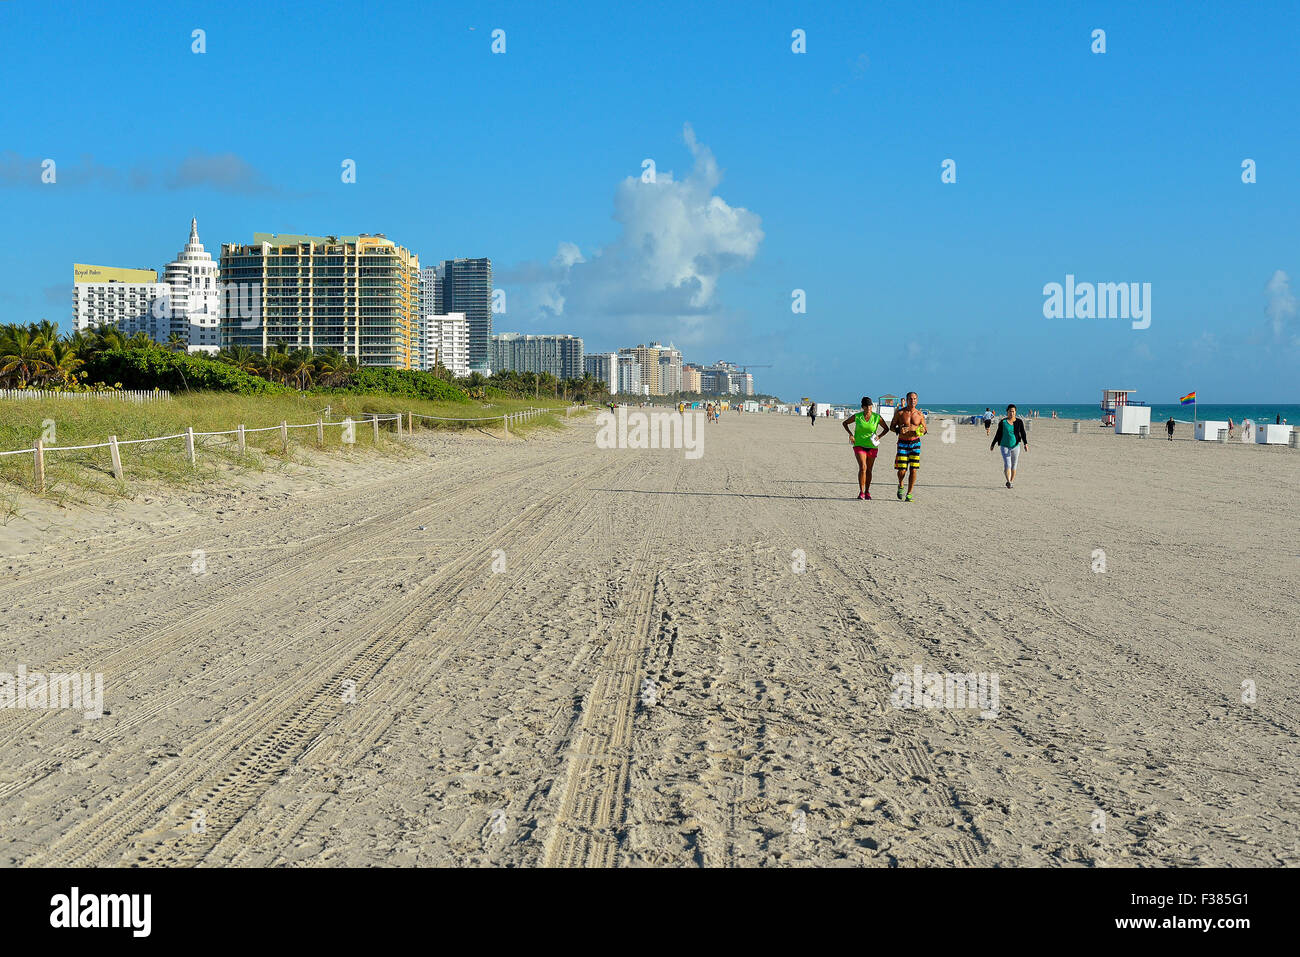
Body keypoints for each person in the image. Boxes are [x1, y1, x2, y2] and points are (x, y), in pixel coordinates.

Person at [842, 396, 888, 500]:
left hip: (872, 446)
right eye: (867, 406)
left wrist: (879, 436)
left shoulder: (877, 417)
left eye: (870, 406)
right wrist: (850, 434)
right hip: (859, 445)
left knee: (869, 470)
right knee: (863, 467)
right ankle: (861, 492)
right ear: (863, 407)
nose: (869, 408)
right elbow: (844, 423)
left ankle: (867, 491)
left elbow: (886, 428)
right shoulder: (857, 417)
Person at [890, 391, 926, 502]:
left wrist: (915, 430)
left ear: (917, 400)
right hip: (902, 443)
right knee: (902, 470)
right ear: (906, 400)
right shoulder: (900, 413)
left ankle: (909, 493)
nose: (913, 400)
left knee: (914, 469)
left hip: (915, 443)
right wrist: (898, 430)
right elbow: (891, 427)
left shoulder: (920, 414)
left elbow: (924, 430)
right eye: (911, 399)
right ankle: (901, 484)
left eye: (915, 399)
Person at [991, 404, 1028, 488]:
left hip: (1016, 446)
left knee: (1014, 465)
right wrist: (993, 444)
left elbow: (1023, 433)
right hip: (1004, 446)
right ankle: (1008, 481)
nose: (1012, 413)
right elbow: (998, 434)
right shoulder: (1003, 422)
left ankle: (1011, 481)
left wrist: (1025, 443)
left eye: (1013, 411)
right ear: (1007, 412)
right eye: (1010, 411)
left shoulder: (1019, 422)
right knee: (1008, 464)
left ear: (1015, 412)